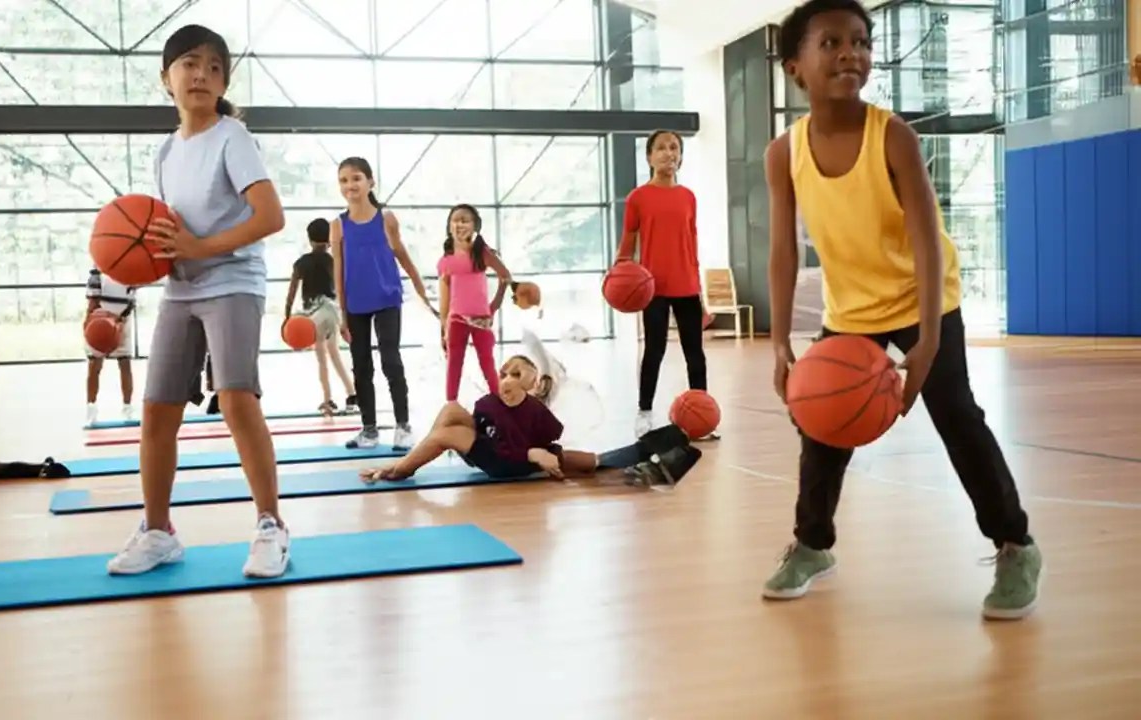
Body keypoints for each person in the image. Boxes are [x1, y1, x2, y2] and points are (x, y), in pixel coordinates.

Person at [764, 0, 1041, 619]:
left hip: (923, 300)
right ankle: (812, 545)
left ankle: (1016, 543)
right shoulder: (784, 153)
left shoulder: (892, 135)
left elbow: (925, 234)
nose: (850, 54)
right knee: (821, 429)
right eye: (831, 43)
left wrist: (931, 341)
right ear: (795, 68)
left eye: (860, 42)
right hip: (853, 310)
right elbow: (783, 250)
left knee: (957, 419)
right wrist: (779, 341)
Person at [105, 24, 290, 578]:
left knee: (235, 399)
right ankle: (158, 531)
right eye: (189, 63)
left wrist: (200, 247)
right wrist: (135, 268)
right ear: (166, 79)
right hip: (181, 286)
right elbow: (160, 233)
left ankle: (270, 527)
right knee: (158, 410)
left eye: (214, 67)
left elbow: (270, 217)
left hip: (234, 280)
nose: (201, 74)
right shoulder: (165, 151)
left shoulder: (232, 136)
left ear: (223, 82)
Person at [359, 355, 701, 488]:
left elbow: (551, 443)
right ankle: (406, 463)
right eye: (503, 372)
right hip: (497, 451)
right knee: (451, 411)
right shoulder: (487, 403)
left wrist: (535, 456)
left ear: (533, 383)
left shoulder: (535, 410)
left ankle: (401, 469)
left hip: (506, 463)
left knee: (594, 463)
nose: (506, 378)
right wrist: (537, 455)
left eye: (516, 374)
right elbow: (486, 427)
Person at [331, 156, 434, 451]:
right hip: (355, 304)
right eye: (344, 180)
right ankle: (369, 430)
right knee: (361, 367)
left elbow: (402, 255)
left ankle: (402, 427)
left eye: (356, 178)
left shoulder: (386, 219)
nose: (350, 185)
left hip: (387, 298)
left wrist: (419, 287)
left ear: (370, 182)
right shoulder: (337, 226)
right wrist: (342, 313)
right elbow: (338, 269)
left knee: (391, 360)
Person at [615, 131, 709, 439]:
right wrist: (619, 272)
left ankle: (703, 416)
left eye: (674, 148)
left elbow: (692, 243)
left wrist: (700, 289)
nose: (669, 153)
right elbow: (627, 241)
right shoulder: (638, 198)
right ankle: (644, 412)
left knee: (694, 353)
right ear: (649, 157)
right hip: (653, 287)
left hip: (686, 286)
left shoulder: (690, 197)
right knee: (654, 351)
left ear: (680, 156)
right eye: (661, 148)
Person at [437, 204, 510, 401]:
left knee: (486, 361)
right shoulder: (446, 261)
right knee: (454, 363)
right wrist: (443, 328)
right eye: (456, 220)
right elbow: (444, 297)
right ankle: (451, 403)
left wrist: (493, 307)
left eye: (465, 220)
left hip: (481, 319)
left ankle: (500, 401)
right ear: (449, 226)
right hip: (457, 319)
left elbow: (505, 277)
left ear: (474, 226)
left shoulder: (482, 253)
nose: (460, 224)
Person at [287, 217, 357, 415]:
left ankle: (327, 399)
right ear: (329, 240)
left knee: (322, 358)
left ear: (309, 239)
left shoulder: (301, 263)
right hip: (331, 310)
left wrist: (286, 318)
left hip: (314, 314)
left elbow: (291, 294)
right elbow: (344, 288)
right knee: (334, 354)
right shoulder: (333, 261)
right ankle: (352, 393)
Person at [84, 268, 137, 427]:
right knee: (95, 365)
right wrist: (90, 322)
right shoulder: (97, 275)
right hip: (99, 320)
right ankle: (91, 408)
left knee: (125, 363)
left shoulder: (129, 274)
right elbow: (92, 303)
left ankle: (127, 408)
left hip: (121, 321)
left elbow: (131, 302)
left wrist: (118, 321)